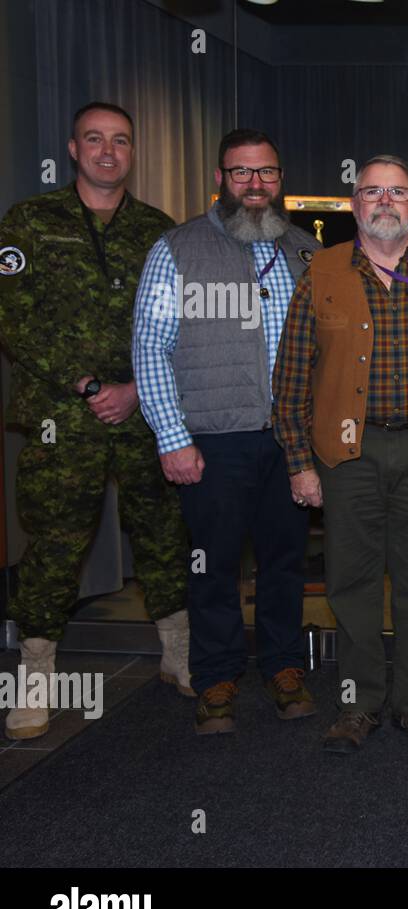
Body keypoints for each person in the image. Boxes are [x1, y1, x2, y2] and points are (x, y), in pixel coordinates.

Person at [273, 154, 408, 754]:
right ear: (354, 205)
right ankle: (359, 703)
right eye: (372, 192)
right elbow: (291, 377)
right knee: (352, 582)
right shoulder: (321, 272)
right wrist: (298, 461)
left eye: (398, 192)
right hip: (348, 450)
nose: (385, 201)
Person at [0, 102, 189, 740]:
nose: (108, 151)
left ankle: (177, 655)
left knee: (164, 534)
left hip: (145, 411)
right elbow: (14, 320)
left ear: (131, 152)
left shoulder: (159, 232)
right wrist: (87, 386)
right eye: (95, 140)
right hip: (63, 417)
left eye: (120, 141)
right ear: (74, 149)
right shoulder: (29, 221)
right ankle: (37, 675)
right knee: (54, 547)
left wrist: (136, 390)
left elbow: (179, 325)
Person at [134, 128, 320, 735]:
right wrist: (171, 437)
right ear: (220, 180)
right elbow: (149, 348)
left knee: (286, 562)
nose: (255, 184)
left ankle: (285, 668)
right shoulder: (178, 248)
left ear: (280, 180)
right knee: (211, 567)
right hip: (213, 441)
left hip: (291, 440)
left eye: (265, 173)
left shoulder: (304, 251)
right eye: (241, 173)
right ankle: (215, 679)